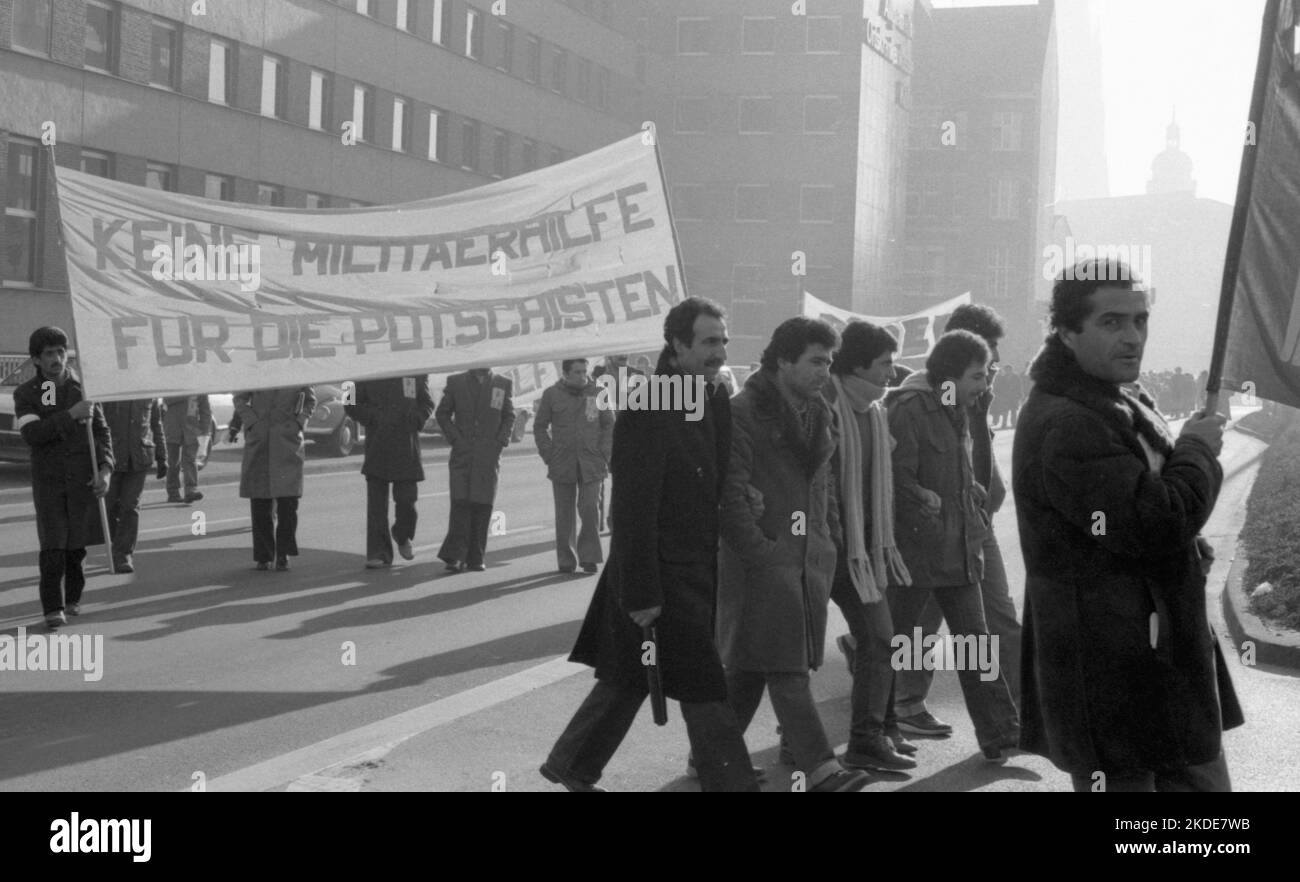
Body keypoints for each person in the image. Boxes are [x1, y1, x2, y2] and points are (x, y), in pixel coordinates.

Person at [1013, 259, 1243, 791]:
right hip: (1114, 677)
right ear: (1067, 331)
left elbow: (1135, 516)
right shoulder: (1071, 421)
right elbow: (1153, 521)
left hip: (1152, 662)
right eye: (1112, 322)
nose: (1132, 337)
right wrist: (1198, 452)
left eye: (1140, 320)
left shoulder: (1117, 400)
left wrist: (1188, 543)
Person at [543, 297, 760, 792]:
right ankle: (733, 783)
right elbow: (633, 506)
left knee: (630, 675)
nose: (719, 351)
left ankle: (572, 764)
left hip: (695, 568)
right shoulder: (649, 403)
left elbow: (715, 482)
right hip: (658, 575)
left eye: (723, 341)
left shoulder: (712, 397)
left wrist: (747, 498)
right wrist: (640, 593)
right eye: (708, 342)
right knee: (704, 685)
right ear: (678, 344)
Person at [716, 317, 870, 792]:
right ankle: (821, 768)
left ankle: (708, 762)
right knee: (786, 667)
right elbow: (731, 494)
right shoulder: (743, 411)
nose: (825, 371)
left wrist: (829, 540)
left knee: (748, 670)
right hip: (764, 561)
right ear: (783, 359)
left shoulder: (818, 410)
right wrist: (763, 552)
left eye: (829, 362)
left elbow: (824, 486)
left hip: (808, 559)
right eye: (816, 361)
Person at [886, 330, 1021, 763]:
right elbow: (894, 479)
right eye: (978, 375)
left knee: (976, 645)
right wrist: (921, 500)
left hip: (961, 552)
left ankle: (1002, 736)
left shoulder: (960, 408)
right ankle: (874, 731)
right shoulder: (909, 410)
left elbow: (956, 469)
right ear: (949, 375)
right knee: (889, 645)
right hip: (918, 556)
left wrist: (973, 494)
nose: (985, 384)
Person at [823, 320, 917, 771]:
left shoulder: (876, 411)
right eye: (884, 363)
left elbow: (890, 476)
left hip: (863, 553)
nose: (891, 372)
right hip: (819, 548)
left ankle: (867, 738)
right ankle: (791, 740)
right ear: (858, 364)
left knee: (880, 641)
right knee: (791, 657)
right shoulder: (822, 402)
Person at [14, 327, 113, 629]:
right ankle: (52, 608)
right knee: (53, 546)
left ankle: (72, 599)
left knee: (76, 546)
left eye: (61, 352)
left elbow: (102, 434)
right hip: (50, 483)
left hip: (83, 481)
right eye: (49, 354)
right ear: (36, 359)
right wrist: (71, 414)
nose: (57, 359)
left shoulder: (85, 388)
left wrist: (106, 470)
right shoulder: (27, 393)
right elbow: (34, 435)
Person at [345, 375, 436, 569]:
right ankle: (378, 553)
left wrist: (417, 418)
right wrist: (372, 417)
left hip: (406, 446)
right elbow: (348, 401)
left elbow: (427, 403)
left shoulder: (414, 370)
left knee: (407, 502)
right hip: (378, 444)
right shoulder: (362, 370)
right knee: (377, 506)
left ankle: (402, 535)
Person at [533, 359, 612, 574]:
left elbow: (609, 424)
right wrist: (548, 454)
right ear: (565, 373)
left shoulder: (598, 392)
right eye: (576, 372)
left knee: (589, 508)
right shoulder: (552, 394)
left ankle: (589, 557)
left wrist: (604, 453)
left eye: (584, 371)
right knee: (564, 513)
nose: (582, 376)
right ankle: (566, 559)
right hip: (562, 461)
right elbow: (539, 427)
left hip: (592, 461)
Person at [436, 367, 514, 572]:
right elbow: (442, 414)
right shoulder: (456, 381)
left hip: (488, 456)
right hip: (463, 453)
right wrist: (455, 438)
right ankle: (454, 556)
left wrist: (500, 441)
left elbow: (509, 416)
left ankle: (475, 556)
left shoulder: (502, 383)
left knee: (482, 505)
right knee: (460, 503)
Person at [235, 386, 316, 571]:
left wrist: (299, 422)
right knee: (260, 502)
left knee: (288, 503)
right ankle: (264, 556)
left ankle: (284, 553)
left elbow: (311, 400)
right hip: (260, 440)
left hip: (287, 441)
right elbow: (239, 398)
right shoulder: (256, 371)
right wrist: (251, 422)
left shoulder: (295, 369)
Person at [100, 398, 166, 573]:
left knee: (130, 506)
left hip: (139, 458)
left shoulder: (147, 391)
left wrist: (162, 456)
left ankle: (123, 554)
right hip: (112, 457)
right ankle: (115, 545)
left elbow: (155, 423)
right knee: (109, 506)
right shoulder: (109, 390)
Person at [590, 354, 644, 533]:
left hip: (626, 435)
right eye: (619, 355)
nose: (624, 357)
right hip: (600, 435)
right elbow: (592, 404)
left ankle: (614, 520)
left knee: (620, 480)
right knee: (597, 480)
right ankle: (595, 522)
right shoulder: (597, 374)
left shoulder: (636, 375)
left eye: (626, 354)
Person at [162, 394, 211, 503]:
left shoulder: (199, 388)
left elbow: (205, 410)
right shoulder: (175, 387)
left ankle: (190, 490)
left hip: (191, 428)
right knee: (173, 461)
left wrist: (205, 431)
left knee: (189, 459)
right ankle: (174, 492)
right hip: (173, 426)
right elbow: (166, 400)